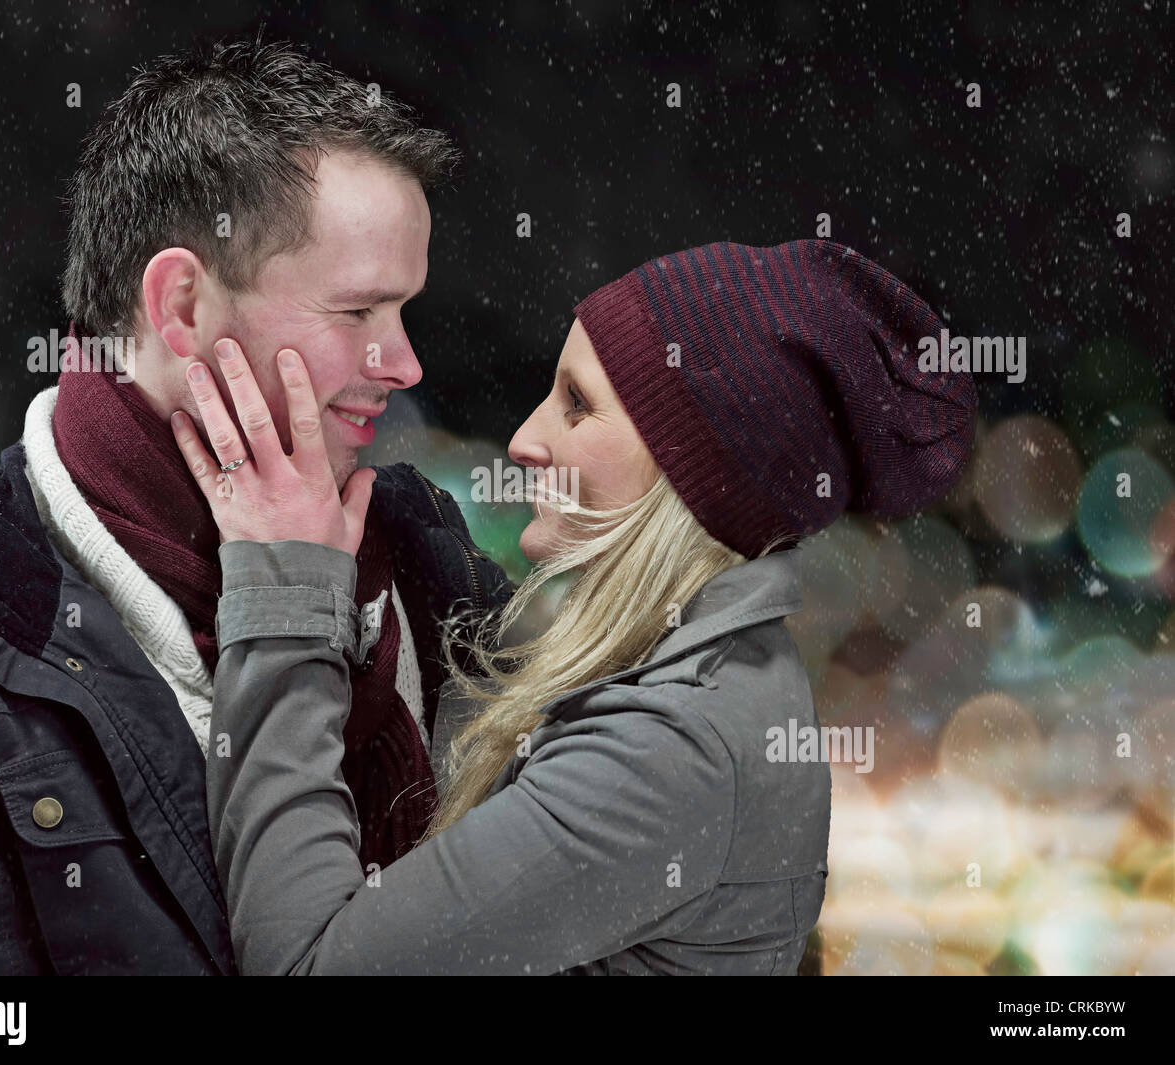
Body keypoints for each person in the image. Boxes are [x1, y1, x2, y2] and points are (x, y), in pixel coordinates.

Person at [0, 37, 510, 974]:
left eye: (406, 311)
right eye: (358, 313)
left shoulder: (428, 554)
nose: (406, 364)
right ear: (180, 305)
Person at [177, 238, 978, 975]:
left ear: (691, 473)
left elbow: (306, 966)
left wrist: (284, 588)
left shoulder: (669, 755)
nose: (524, 438)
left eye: (577, 405)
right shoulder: (717, 675)